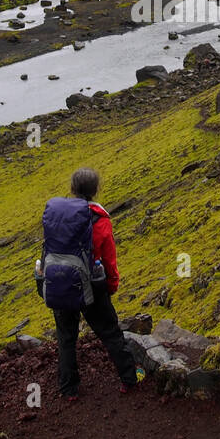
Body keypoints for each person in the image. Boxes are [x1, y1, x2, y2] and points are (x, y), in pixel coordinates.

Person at [37, 167, 140, 399]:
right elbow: (108, 259)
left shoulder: (58, 214)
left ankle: (68, 389)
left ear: (72, 189)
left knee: (66, 338)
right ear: (96, 190)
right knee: (110, 333)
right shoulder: (100, 220)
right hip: (92, 284)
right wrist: (111, 285)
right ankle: (129, 380)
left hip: (60, 282)